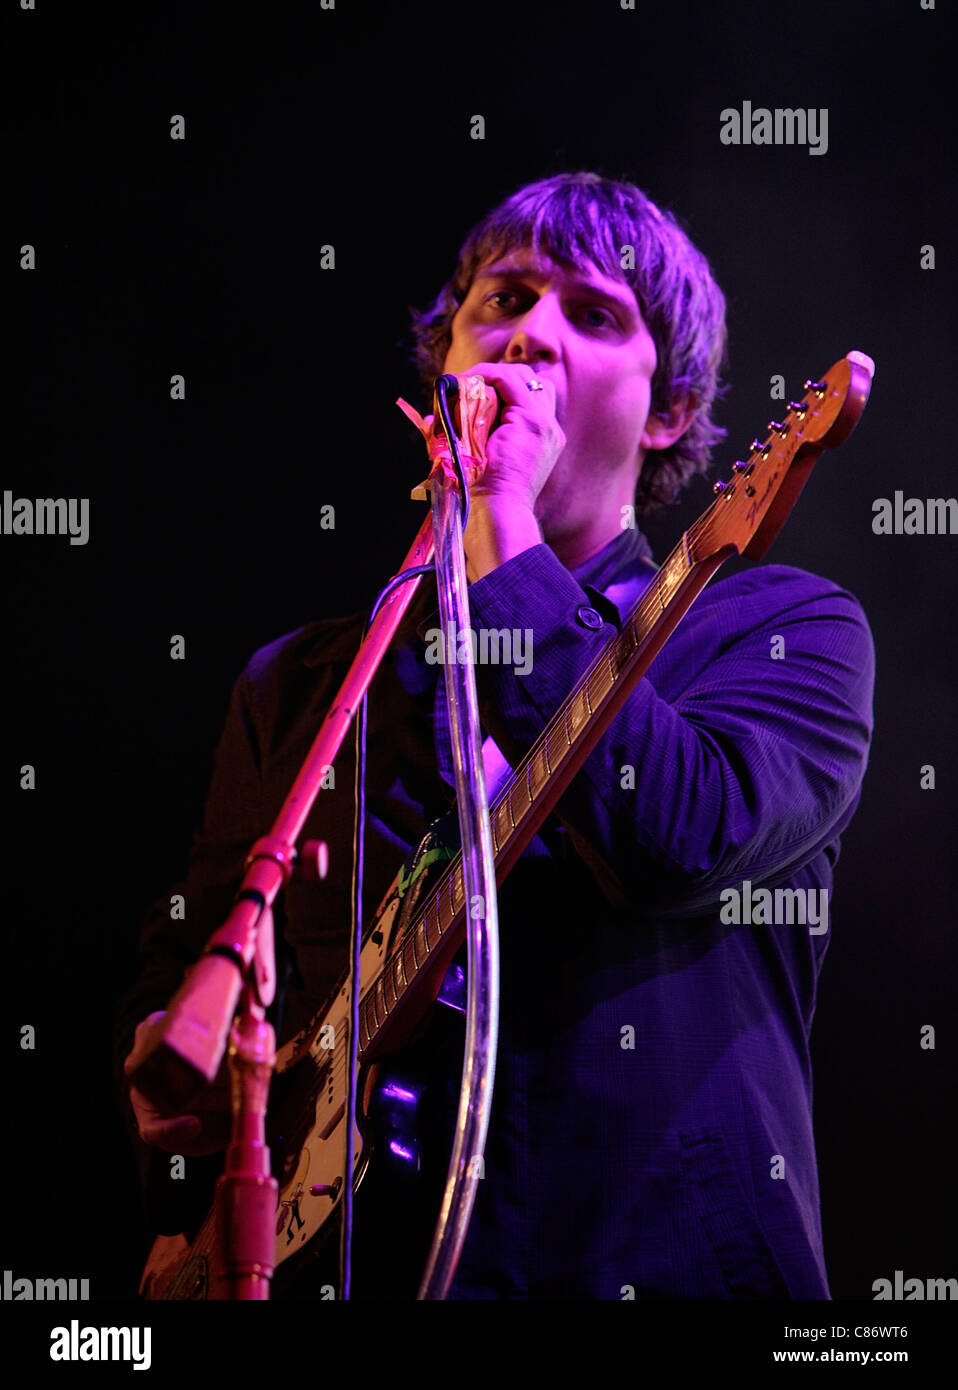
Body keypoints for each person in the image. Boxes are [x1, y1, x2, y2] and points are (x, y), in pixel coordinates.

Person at [117, 170, 875, 1300]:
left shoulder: (773, 628)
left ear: (667, 410)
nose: (530, 335)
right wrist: (176, 1106)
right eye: (503, 300)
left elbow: (674, 835)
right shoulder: (302, 684)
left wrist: (505, 527)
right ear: (444, 363)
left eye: (592, 314)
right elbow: (198, 984)